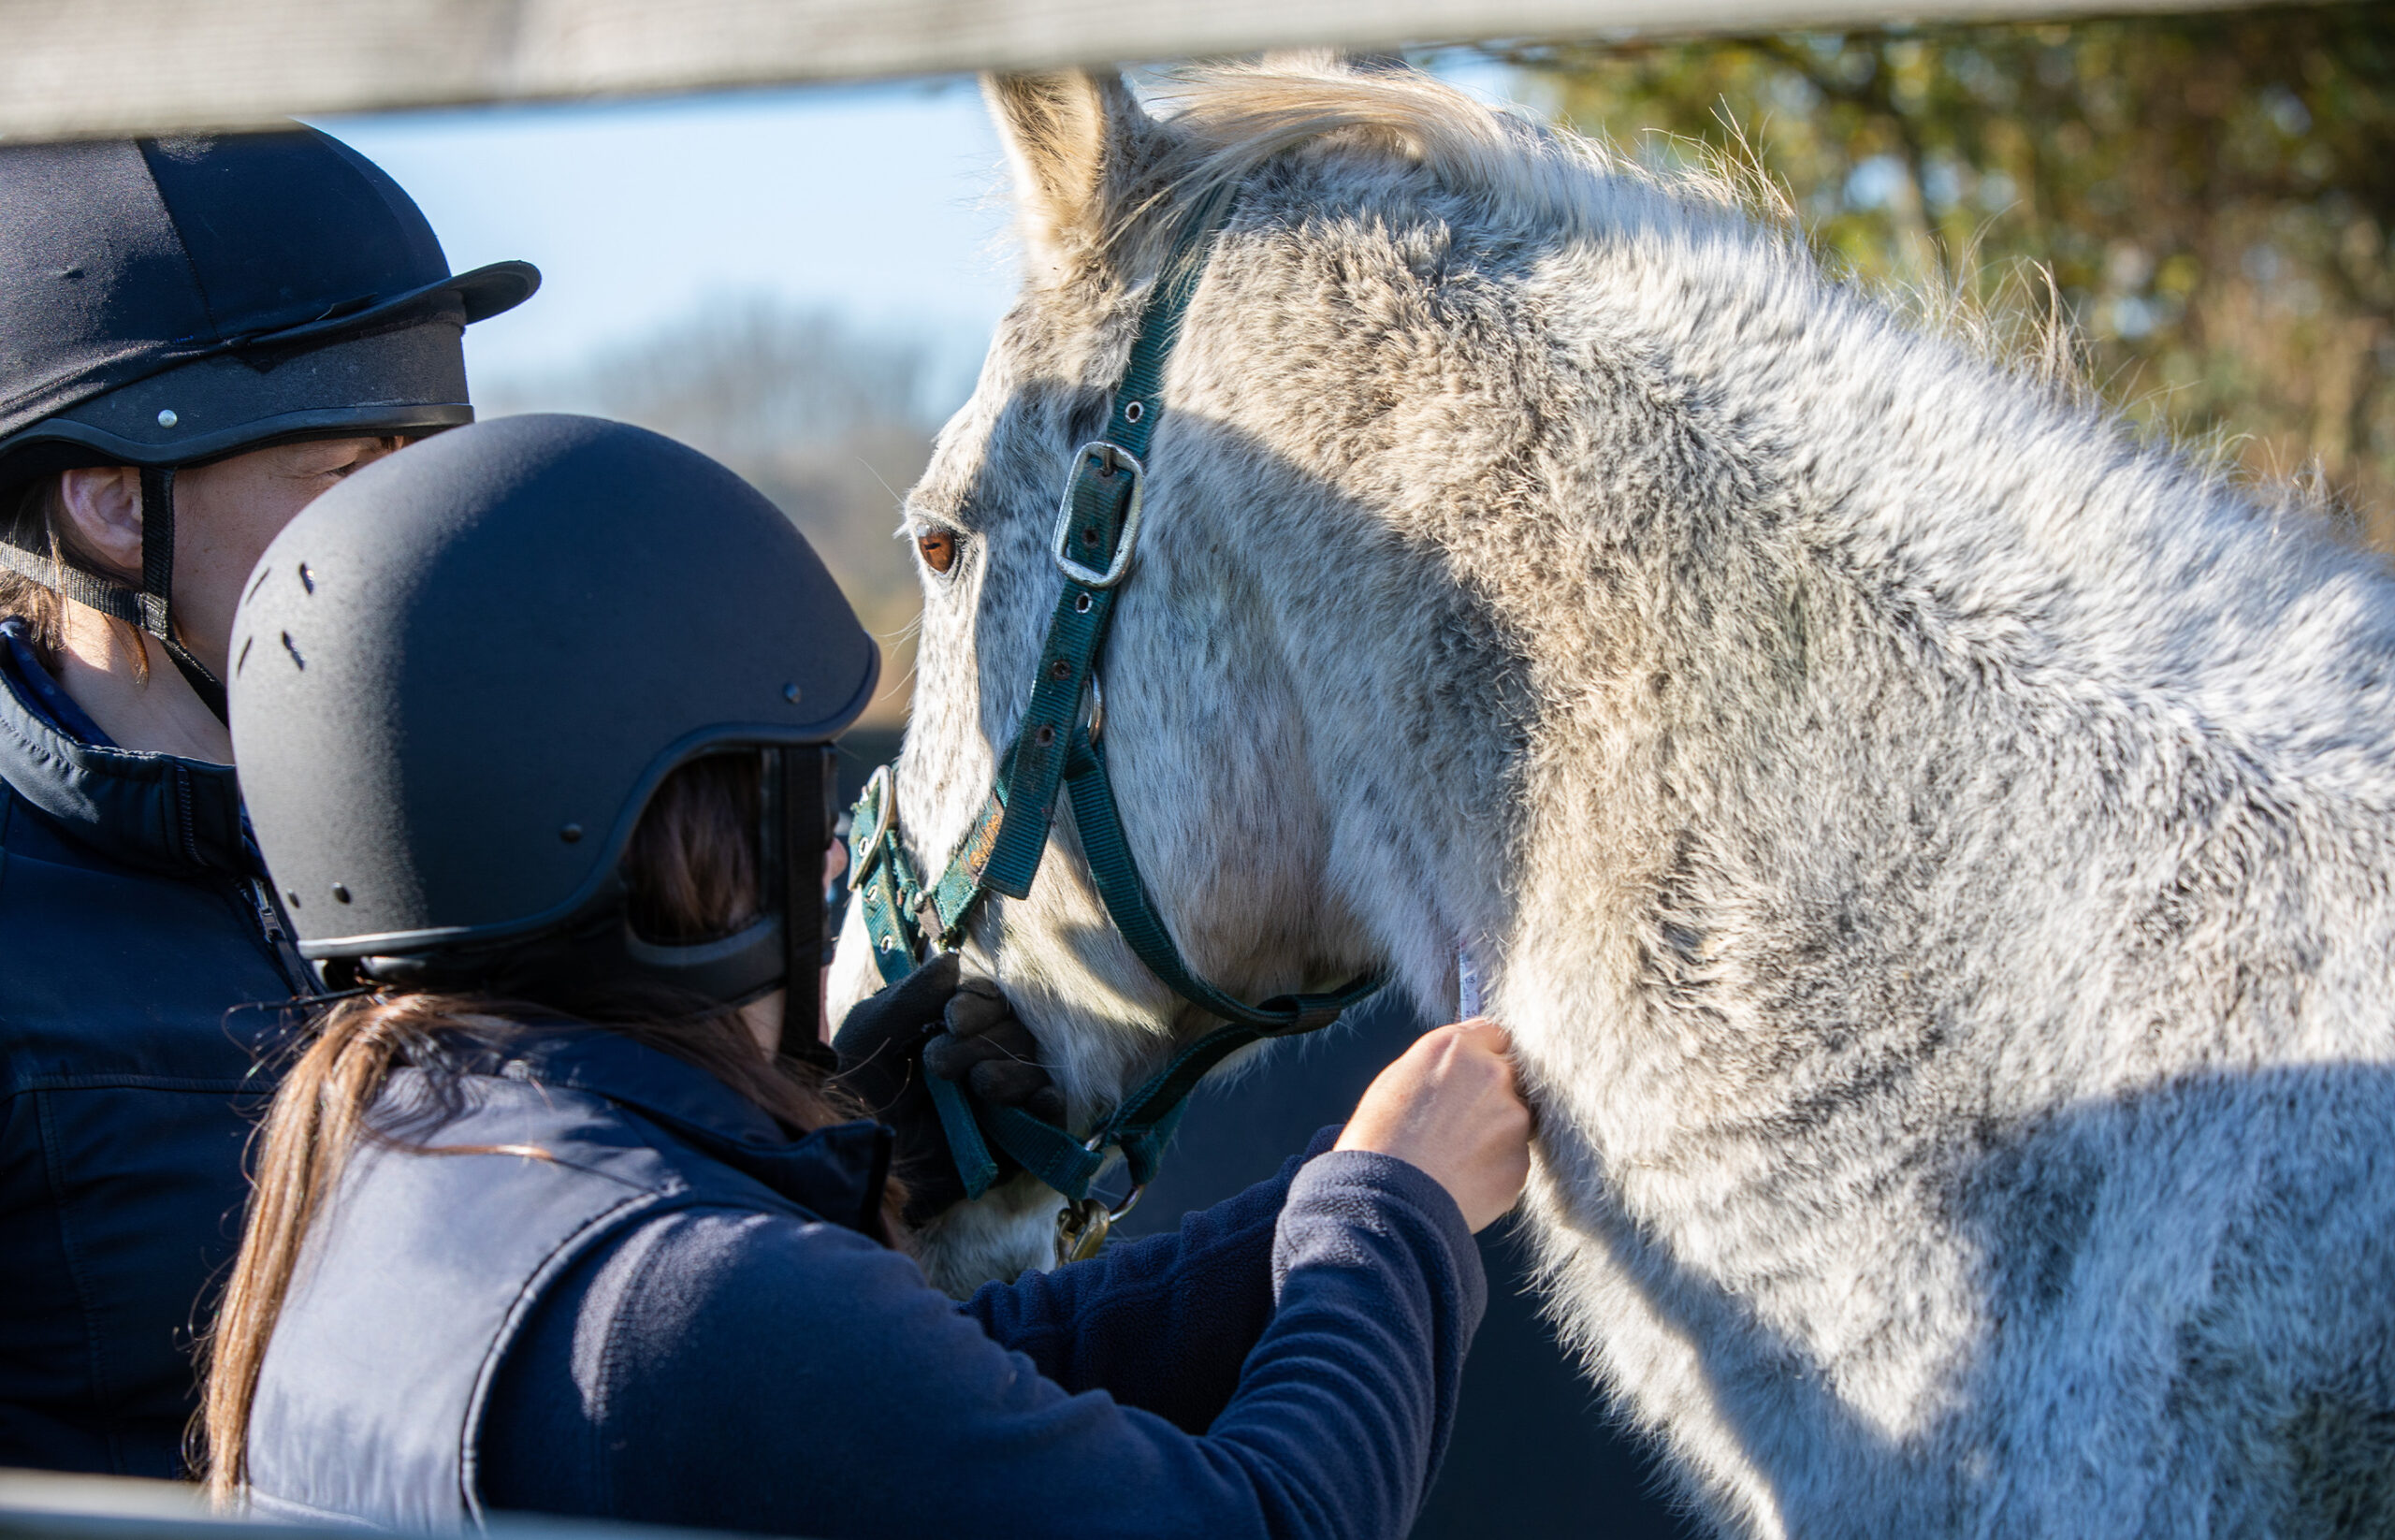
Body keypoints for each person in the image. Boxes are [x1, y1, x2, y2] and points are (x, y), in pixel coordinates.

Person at [202, 414, 1534, 1540]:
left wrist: (1316, 1210)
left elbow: (976, 1390)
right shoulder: (690, 1305)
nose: (826, 845)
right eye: (790, 791)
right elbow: (1258, 1519)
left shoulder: (392, 1166)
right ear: (681, 842)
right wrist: (1391, 1216)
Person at [0, 127, 537, 1476]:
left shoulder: (507, 832)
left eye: (433, 464)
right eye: (353, 475)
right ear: (115, 505)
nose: (421, 531)